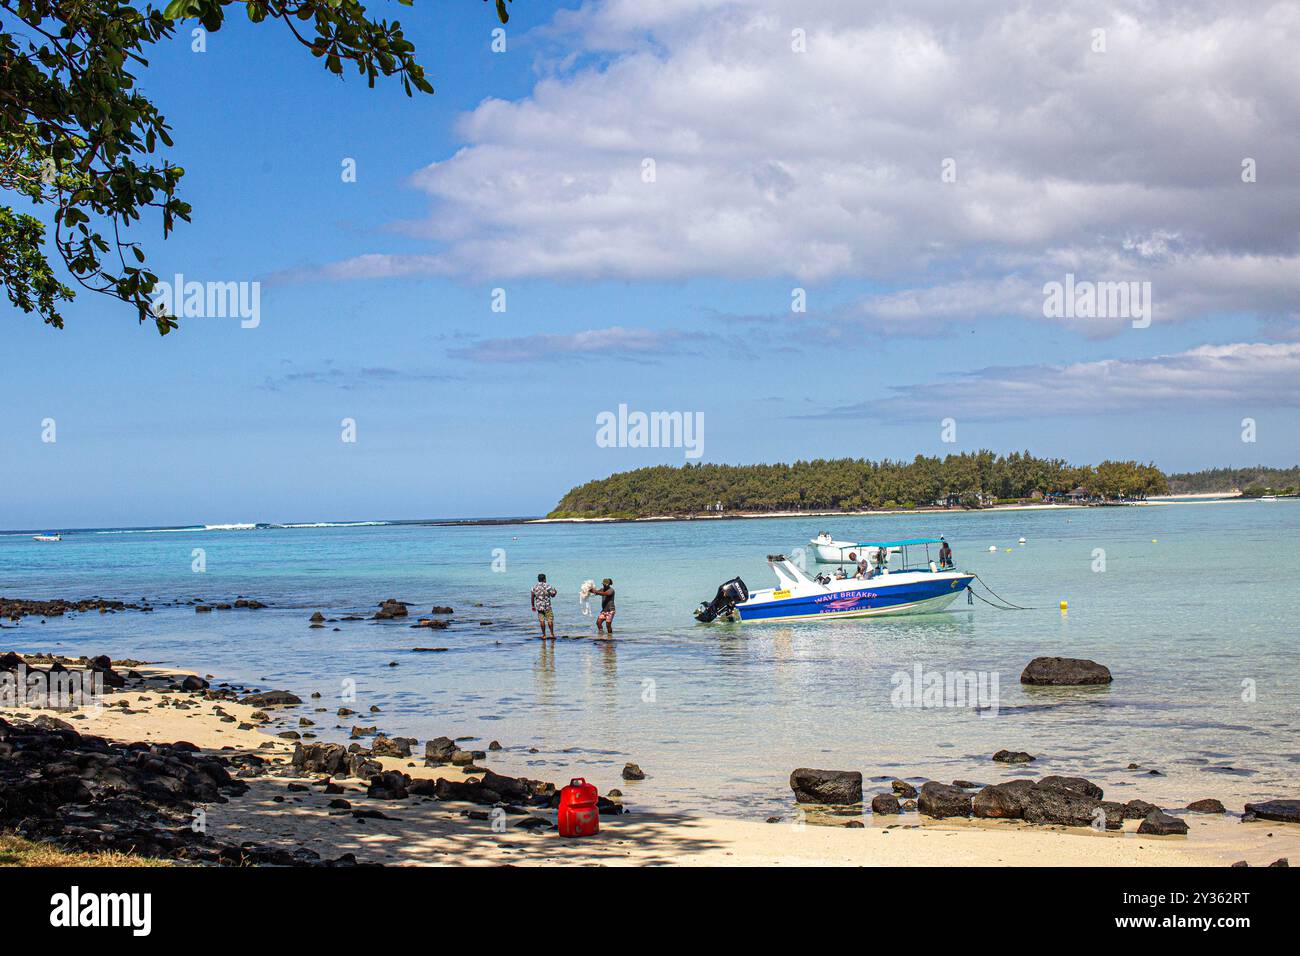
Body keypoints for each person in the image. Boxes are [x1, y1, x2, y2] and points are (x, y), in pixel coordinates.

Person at [531, 573, 557, 639]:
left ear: (538, 579)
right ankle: (551, 634)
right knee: (550, 620)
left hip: (539, 607)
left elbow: (532, 597)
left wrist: (533, 606)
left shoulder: (534, 587)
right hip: (547, 606)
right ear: (544, 579)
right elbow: (553, 595)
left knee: (542, 621)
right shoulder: (547, 586)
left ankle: (544, 635)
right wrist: (555, 592)